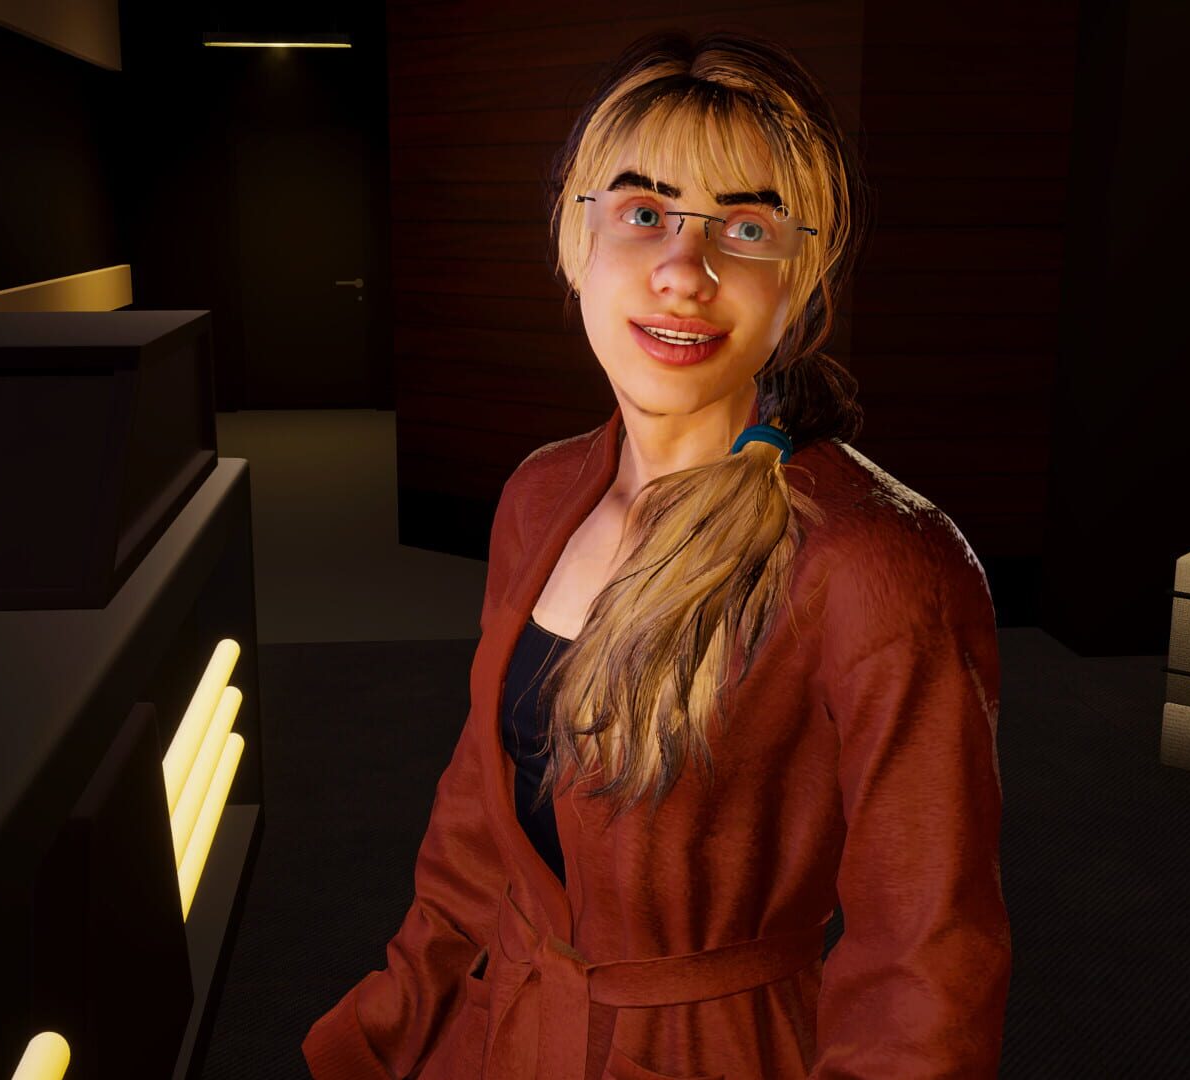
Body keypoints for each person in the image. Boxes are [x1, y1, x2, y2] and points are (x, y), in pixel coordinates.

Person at [304, 27, 1010, 1080]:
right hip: (508, 1036)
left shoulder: (879, 565)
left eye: (747, 227)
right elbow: (475, 826)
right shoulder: (540, 494)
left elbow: (924, 970)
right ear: (574, 237)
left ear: (802, 274)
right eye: (644, 213)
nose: (685, 271)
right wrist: (392, 1025)